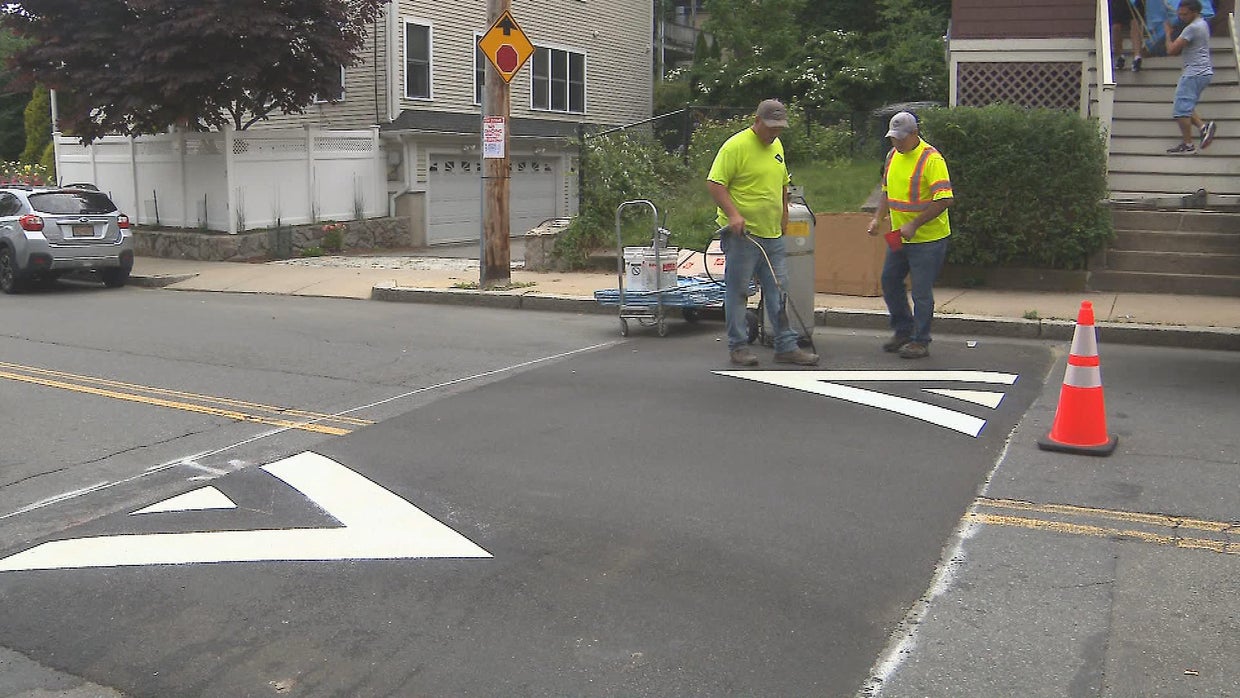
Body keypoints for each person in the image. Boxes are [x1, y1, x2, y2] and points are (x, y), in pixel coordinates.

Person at [706, 99, 819, 367]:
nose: (774, 134)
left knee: (779, 290)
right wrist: (734, 215)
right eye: (770, 128)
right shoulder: (735, 146)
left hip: (773, 236)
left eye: (779, 129)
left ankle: (785, 346)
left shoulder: (777, 146)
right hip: (744, 236)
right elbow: (715, 183)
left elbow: (782, 183)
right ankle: (738, 346)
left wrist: (784, 215)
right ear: (756, 121)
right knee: (738, 291)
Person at [866, 112, 954, 360]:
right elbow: (886, 192)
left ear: (914, 134)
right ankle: (903, 330)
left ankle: (920, 340)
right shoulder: (892, 156)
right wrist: (877, 218)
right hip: (900, 236)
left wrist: (915, 223)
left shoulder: (931, 159)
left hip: (928, 239)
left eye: (901, 138)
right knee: (889, 281)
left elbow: (945, 199)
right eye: (893, 138)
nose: (897, 143)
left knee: (921, 291)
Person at [1164, 0, 1216, 154]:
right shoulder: (1203, 23)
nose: (1181, 17)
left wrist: (1167, 33)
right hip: (1203, 71)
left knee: (1180, 110)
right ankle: (1203, 127)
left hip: (1194, 73)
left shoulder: (1192, 28)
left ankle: (1188, 144)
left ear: (1194, 12)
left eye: (1184, 14)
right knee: (1186, 105)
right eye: (1179, 14)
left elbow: (1172, 50)